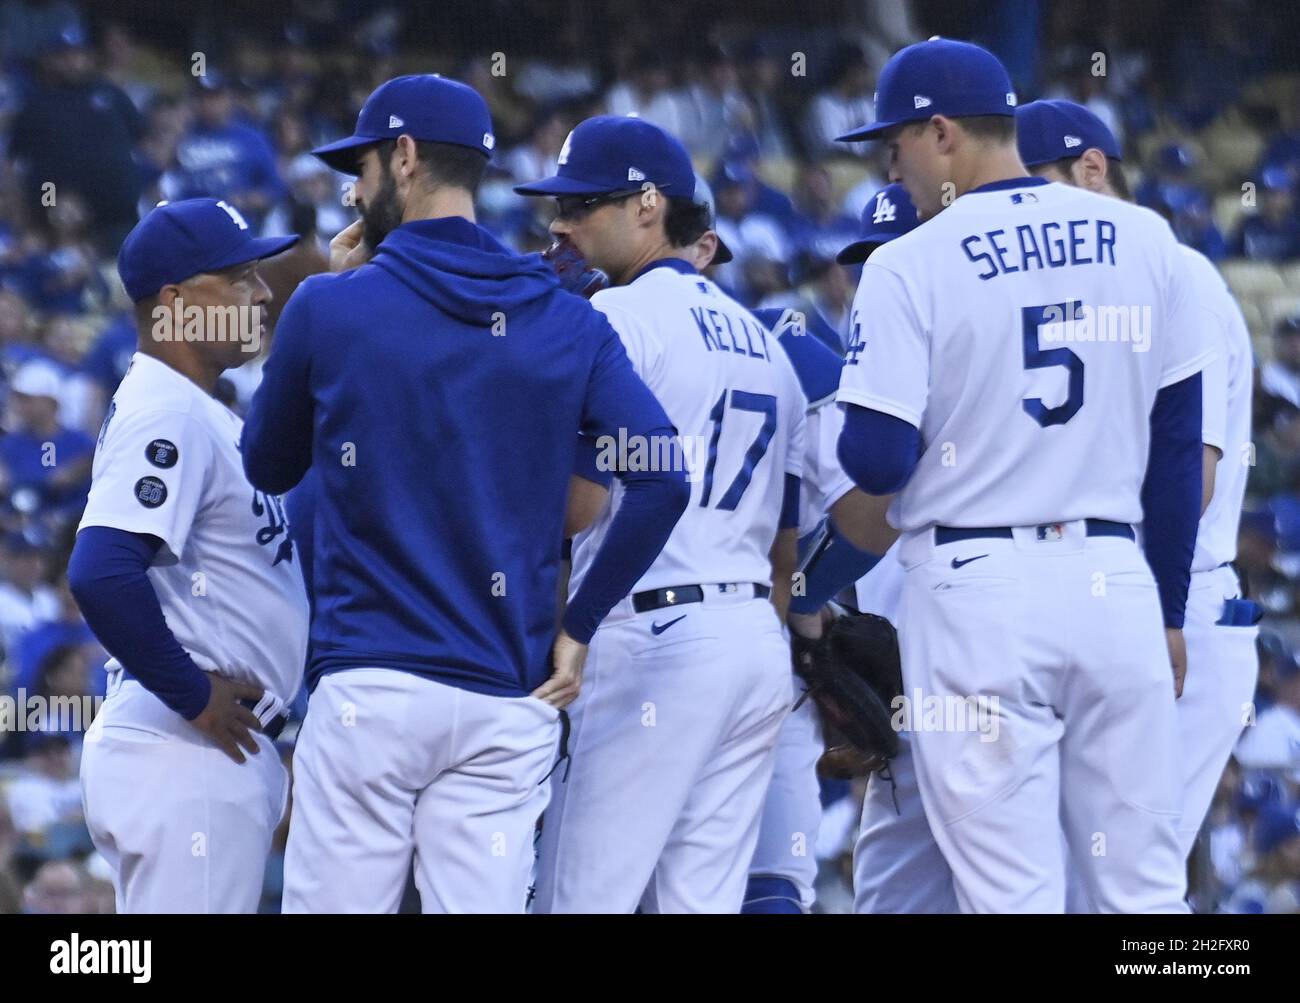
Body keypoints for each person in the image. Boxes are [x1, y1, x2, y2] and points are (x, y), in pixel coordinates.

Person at [242, 75, 689, 914]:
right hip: (503, 696)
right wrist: (579, 626)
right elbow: (664, 478)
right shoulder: (569, 317)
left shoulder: (331, 306)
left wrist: (331, 305)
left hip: (369, 685)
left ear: (404, 158)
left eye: (365, 168)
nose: (357, 188)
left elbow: (267, 466)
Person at [833, 39, 1212, 913]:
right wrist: (1168, 609)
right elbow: (1178, 443)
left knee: (1014, 894)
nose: (895, 169)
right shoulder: (1146, 236)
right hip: (1117, 583)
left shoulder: (908, 262)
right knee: (1147, 893)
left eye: (896, 146)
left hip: (981, 593)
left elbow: (877, 460)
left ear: (940, 133)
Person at [515, 116, 806, 913]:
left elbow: (579, 508)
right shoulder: (765, 339)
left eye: (581, 205)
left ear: (649, 206)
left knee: (582, 899)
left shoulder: (615, 319)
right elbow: (787, 544)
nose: (560, 224)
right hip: (750, 639)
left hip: (653, 632)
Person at [1017, 98, 1260, 868]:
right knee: (1082, 875)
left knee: (1127, 877)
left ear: (1092, 169)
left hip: (1179, 596)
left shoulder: (1179, 272)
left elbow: (1199, 475)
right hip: (1115, 602)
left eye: (1035, 187)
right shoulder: (1096, 279)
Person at [66, 197, 307, 913]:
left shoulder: (199, 406)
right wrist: (193, 694)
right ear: (173, 302)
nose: (262, 294)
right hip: (186, 748)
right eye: (238, 278)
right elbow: (101, 569)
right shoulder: (166, 406)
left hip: (196, 751)